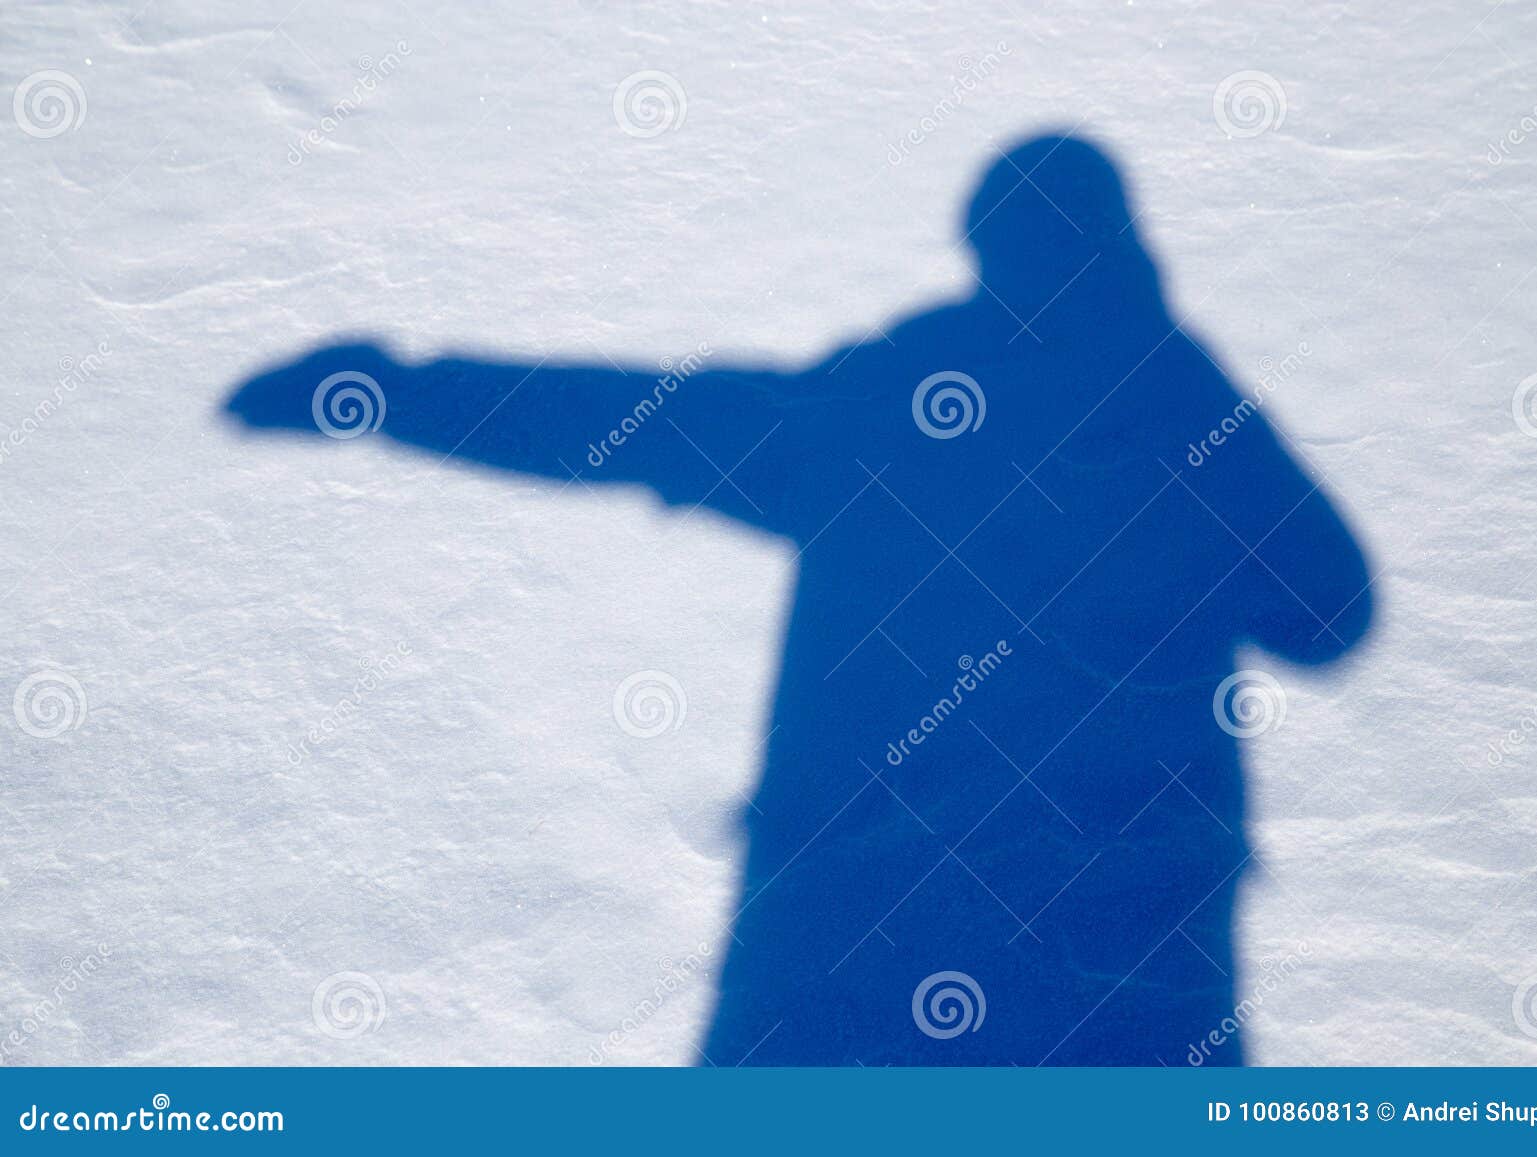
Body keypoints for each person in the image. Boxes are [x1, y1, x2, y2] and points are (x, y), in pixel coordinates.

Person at [227, 134, 1373, 1065]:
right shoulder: (1189, 423)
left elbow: (634, 421)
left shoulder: (895, 405)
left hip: (856, 944)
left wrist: (391, 392)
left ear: (986, 250)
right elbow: (1329, 612)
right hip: (1123, 972)